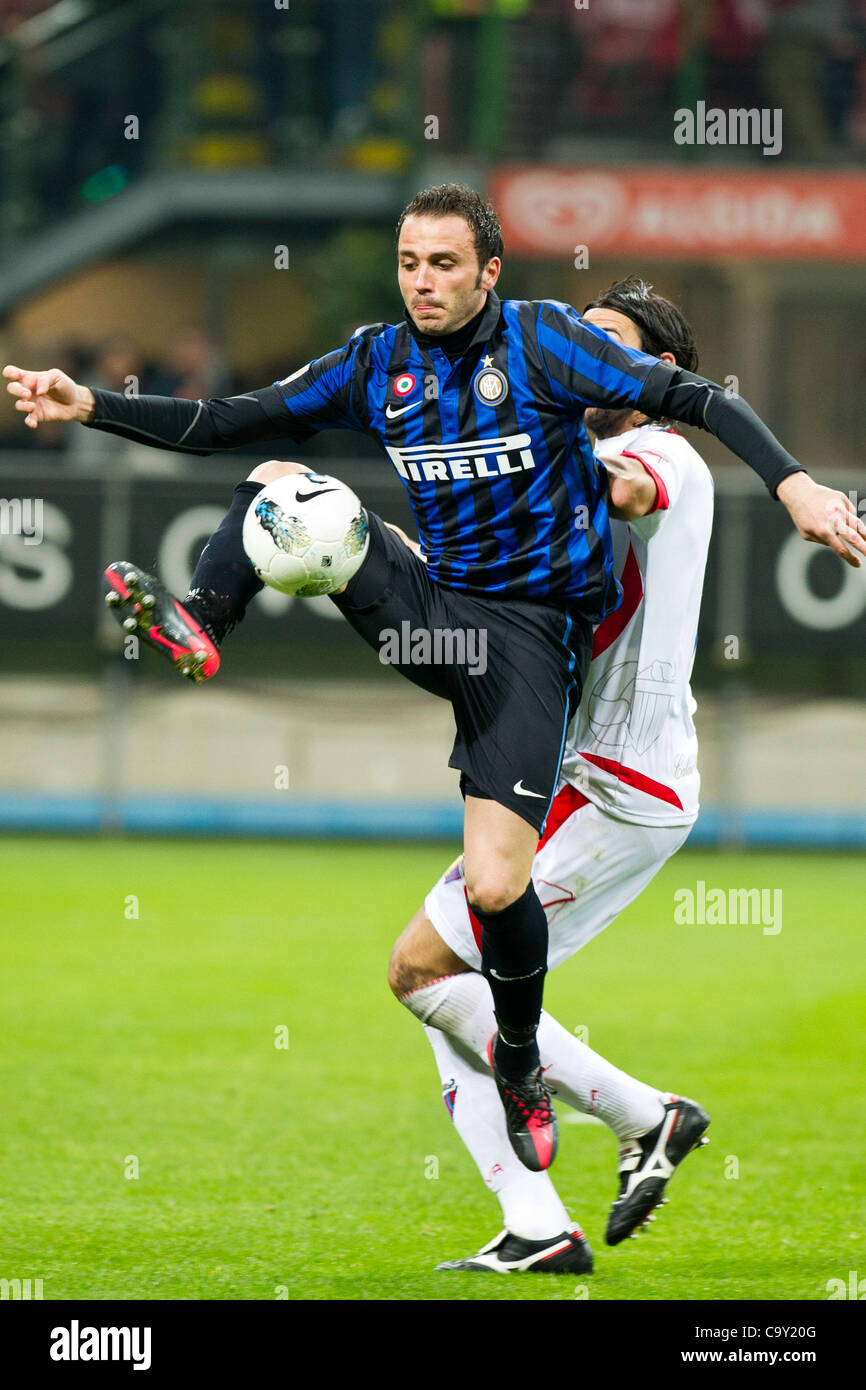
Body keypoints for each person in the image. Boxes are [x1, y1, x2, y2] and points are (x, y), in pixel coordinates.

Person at [4, 185, 865, 1183]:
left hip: (527, 649)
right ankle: (204, 614)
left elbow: (694, 403)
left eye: (445, 263)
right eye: (411, 262)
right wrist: (90, 404)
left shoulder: (547, 347)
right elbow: (223, 419)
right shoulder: (378, 361)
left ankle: (521, 1060)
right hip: (438, 622)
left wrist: (794, 481)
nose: (424, 280)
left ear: (487, 272)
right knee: (291, 481)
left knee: (498, 885)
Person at [386, 277, 713, 1274]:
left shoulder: (659, 450)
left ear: (652, 374)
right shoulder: (557, 465)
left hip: (621, 784)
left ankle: (646, 1114)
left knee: (422, 970)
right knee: (454, 999)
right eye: (574, 335)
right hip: (584, 772)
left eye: (604, 343)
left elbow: (618, 488)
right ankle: (536, 1226)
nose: (578, 352)